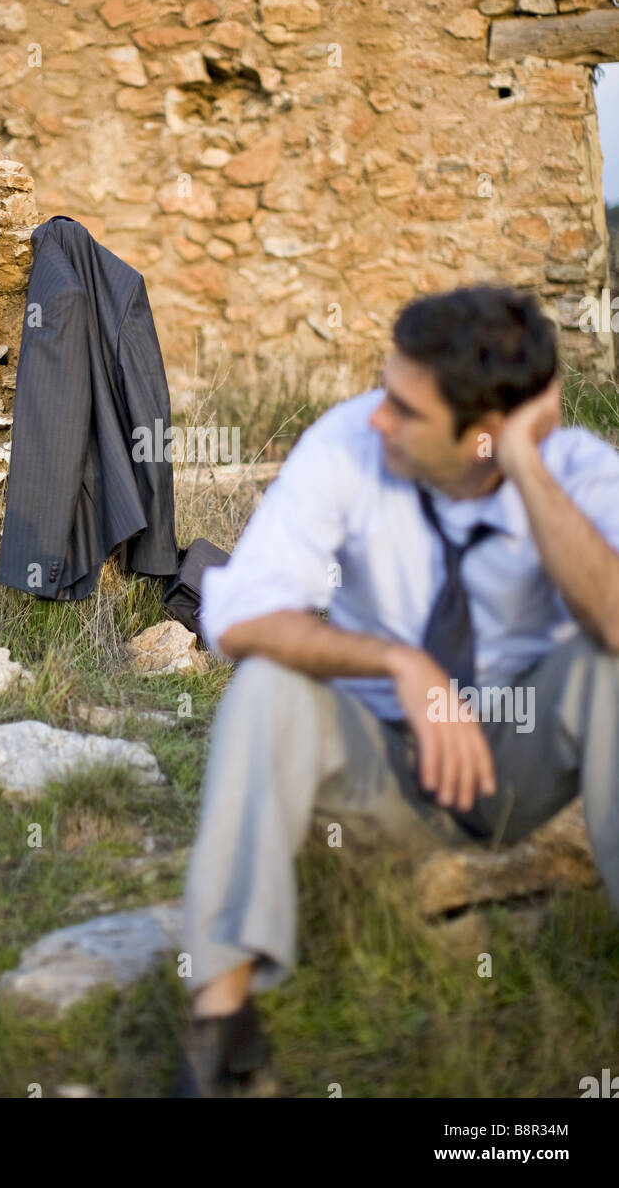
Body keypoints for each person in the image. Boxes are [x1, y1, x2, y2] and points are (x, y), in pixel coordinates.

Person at [174, 286, 619, 1098]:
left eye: (407, 409)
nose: (380, 416)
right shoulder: (348, 442)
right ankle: (221, 1045)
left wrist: (523, 468)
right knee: (269, 681)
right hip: (375, 766)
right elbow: (234, 613)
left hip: (518, 764)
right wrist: (400, 665)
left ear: (484, 436)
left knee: (610, 670)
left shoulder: (578, 471)